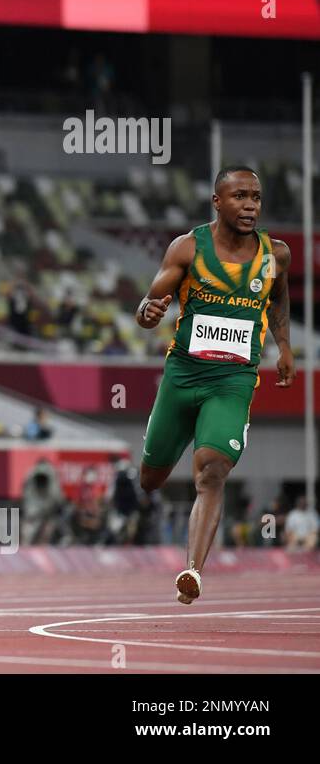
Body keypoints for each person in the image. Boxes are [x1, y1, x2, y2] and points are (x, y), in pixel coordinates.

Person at [134, 166, 293, 603]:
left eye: (256, 197)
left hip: (234, 378)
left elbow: (279, 297)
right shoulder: (187, 249)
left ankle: (192, 572)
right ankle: (177, 432)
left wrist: (284, 347)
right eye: (240, 196)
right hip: (183, 375)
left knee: (212, 469)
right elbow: (151, 302)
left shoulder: (275, 254)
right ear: (217, 202)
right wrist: (148, 312)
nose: (250, 206)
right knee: (150, 479)